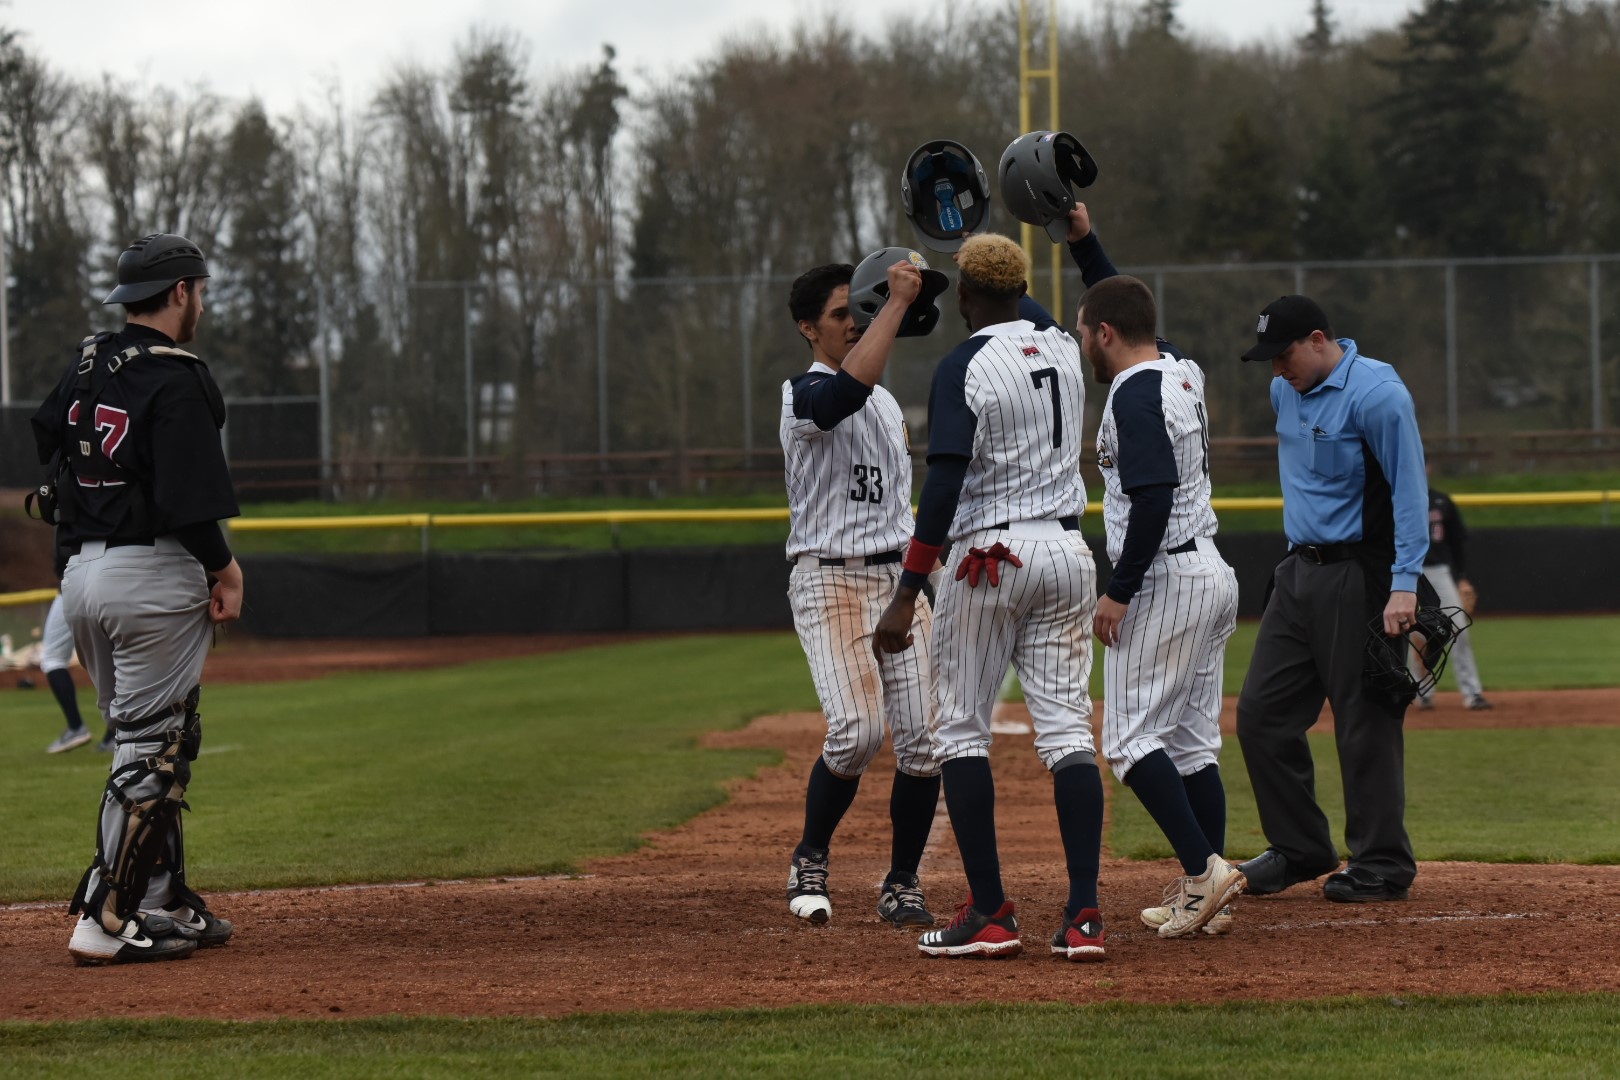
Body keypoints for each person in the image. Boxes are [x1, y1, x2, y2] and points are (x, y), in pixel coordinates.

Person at [875, 233, 1106, 961]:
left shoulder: (963, 364)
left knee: (960, 733)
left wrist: (908, 589)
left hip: (991, 557)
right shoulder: (1065, 347)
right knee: (1068, 734)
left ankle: (991, 912)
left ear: (967, 296)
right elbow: (1020, 307)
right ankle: (1084, 918)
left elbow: (941, 486)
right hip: (1069, 552)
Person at [31, 232, 245, 965]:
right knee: (155, 752)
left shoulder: (90, 361)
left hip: (82, 576)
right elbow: (189, 502)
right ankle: (104, 919)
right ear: (181, 292)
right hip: (150, 576)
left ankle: (160, 902)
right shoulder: (176, 375)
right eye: (202, 291)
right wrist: (226, 570)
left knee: (139, 743)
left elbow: (48, 445)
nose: (202, 304)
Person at [1233, 294, 1429, 904]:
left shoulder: (1378, 395)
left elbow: (1409, 492)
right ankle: (1301, 848)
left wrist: (1404, 582)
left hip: (1360, 573)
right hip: (1298, 570)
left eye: (1283, 354)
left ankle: (1383, 863)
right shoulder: (1283, 390)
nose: (1275, 369)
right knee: (1260, 716)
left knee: (1364, 721)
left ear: (1319, 339)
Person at [1074, 271, 1245, 939]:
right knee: (1192, 744)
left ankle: (1205, 874)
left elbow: (1152, 497)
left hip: (1166, 578)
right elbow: (1127, 303)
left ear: (1106, 334)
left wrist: (1118, 590)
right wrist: (1083, 239)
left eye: (1086, 331)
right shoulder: (1180, 370)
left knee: (1127, 740)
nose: (1083, 342)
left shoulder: (1134, 396)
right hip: (1209, 572)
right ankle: (1210, 898)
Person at [779, 254, 946, 929]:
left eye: (860, 311)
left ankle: (902, 881)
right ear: (807, 328)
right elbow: (839, 396)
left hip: (896, 579)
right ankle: (810, 856)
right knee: (855, 732)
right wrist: (898, 305)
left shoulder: (883, 401)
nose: (854, 323)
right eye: (840, 315)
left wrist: (923, 580)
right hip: (830, 579)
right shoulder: (802, 394)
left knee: (925, 742)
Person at [1411, 474, 1491, 710]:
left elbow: (1457, 542)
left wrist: (1462, 577)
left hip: (1439, 572)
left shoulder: (1441, 501)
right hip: (1408, 572)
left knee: (1459, 630)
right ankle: (1422, 692)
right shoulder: (1394, 498)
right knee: (1417, 636)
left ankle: (1472, 692)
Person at [40, 593, 113, 754]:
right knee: (115, 654)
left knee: (53, 659)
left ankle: (76, 727)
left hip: (74, 589)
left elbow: (61, 568)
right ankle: (116, 734)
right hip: (114, 587)